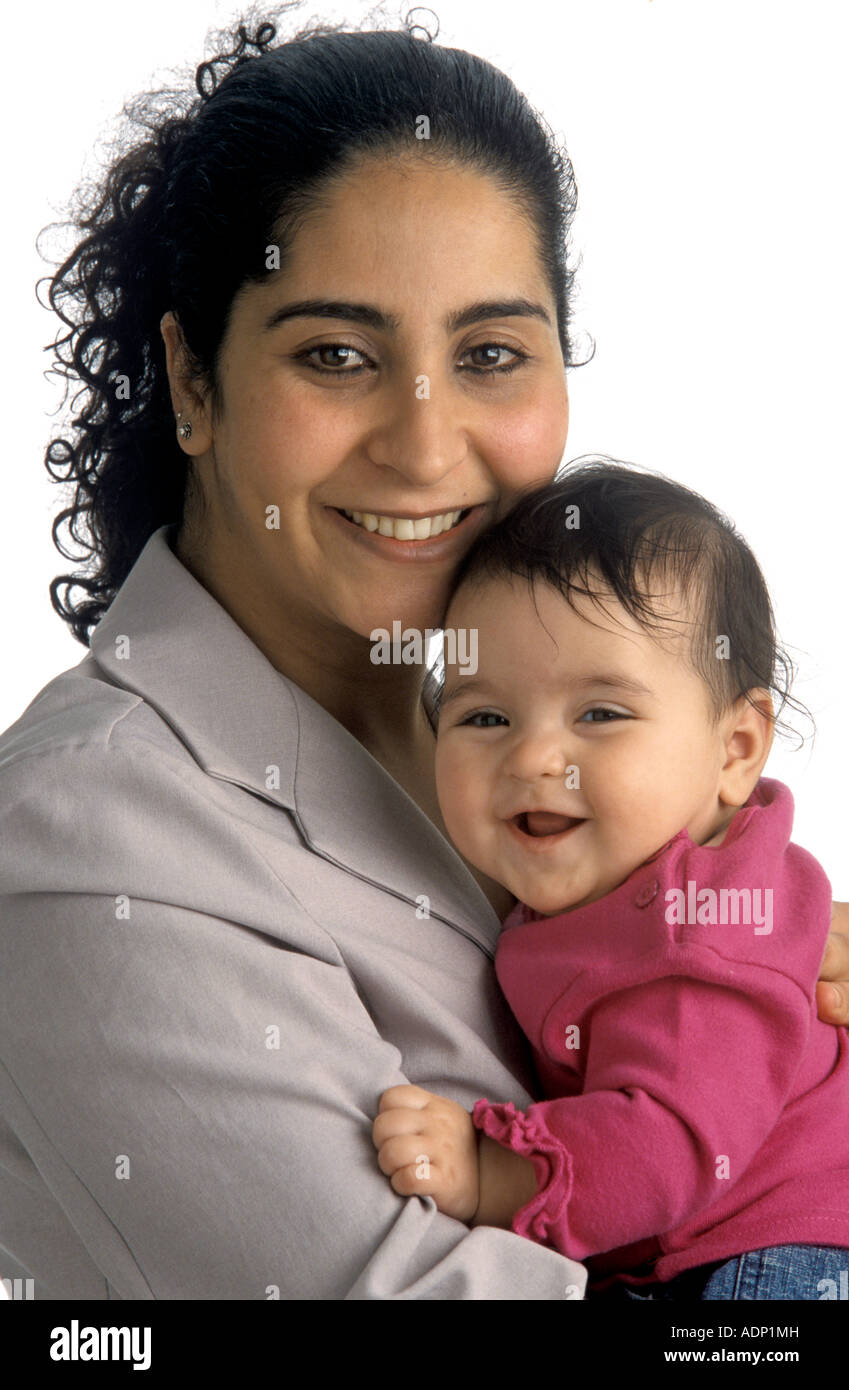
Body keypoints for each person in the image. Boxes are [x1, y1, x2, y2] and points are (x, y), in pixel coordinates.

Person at [1, 12, 847, 1300]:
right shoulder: (84, 851)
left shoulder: (529, 725)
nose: (425, 440)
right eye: (336, 354)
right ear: (192, 379)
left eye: (491, 354)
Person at [372, 461, 849, 1300]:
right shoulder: (630, 881)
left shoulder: (691, 935)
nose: (532, 757)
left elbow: (666, 1146)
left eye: (599, 713)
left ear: (734, 749)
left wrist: (490, 1173)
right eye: (484, 716)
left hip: (777, 1264)